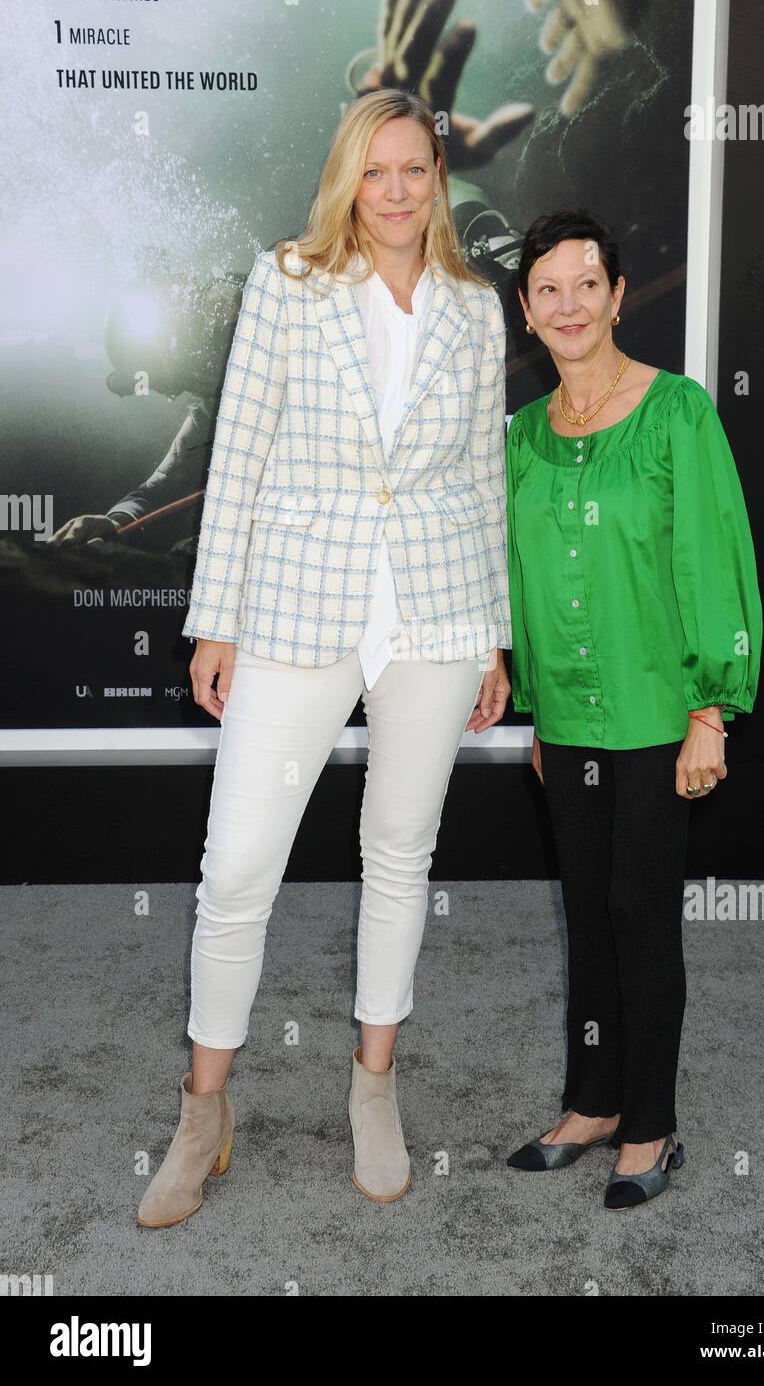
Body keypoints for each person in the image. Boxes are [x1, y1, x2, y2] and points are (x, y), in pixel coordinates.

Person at [136, 89, 513, 1227]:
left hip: (436, 611)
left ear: (438, 177)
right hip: (299, 601)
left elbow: (484, 482)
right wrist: (217, 620)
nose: (396, 191)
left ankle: (374, 1084)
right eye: (376, 170)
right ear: (348, 178)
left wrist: (494, 634)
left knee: (400, 852)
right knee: (238, 866)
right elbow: (239, 453)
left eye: (415, 169)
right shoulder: (287, 282)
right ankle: (204, 1112)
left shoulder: (475, 308)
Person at [504, 209, 762, 1208]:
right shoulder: (523, 436)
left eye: (586, 284)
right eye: (548, 289)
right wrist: (536, 709)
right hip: (569, 720)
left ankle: (651, 1123)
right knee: (587, 914)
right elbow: (526, 579)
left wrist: (711, 710)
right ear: (528, 312)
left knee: (639, 913)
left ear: (616, 295)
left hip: (661, 712)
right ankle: (593, 1100)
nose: (569, 304)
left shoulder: (677, 413)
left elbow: (711, 559)